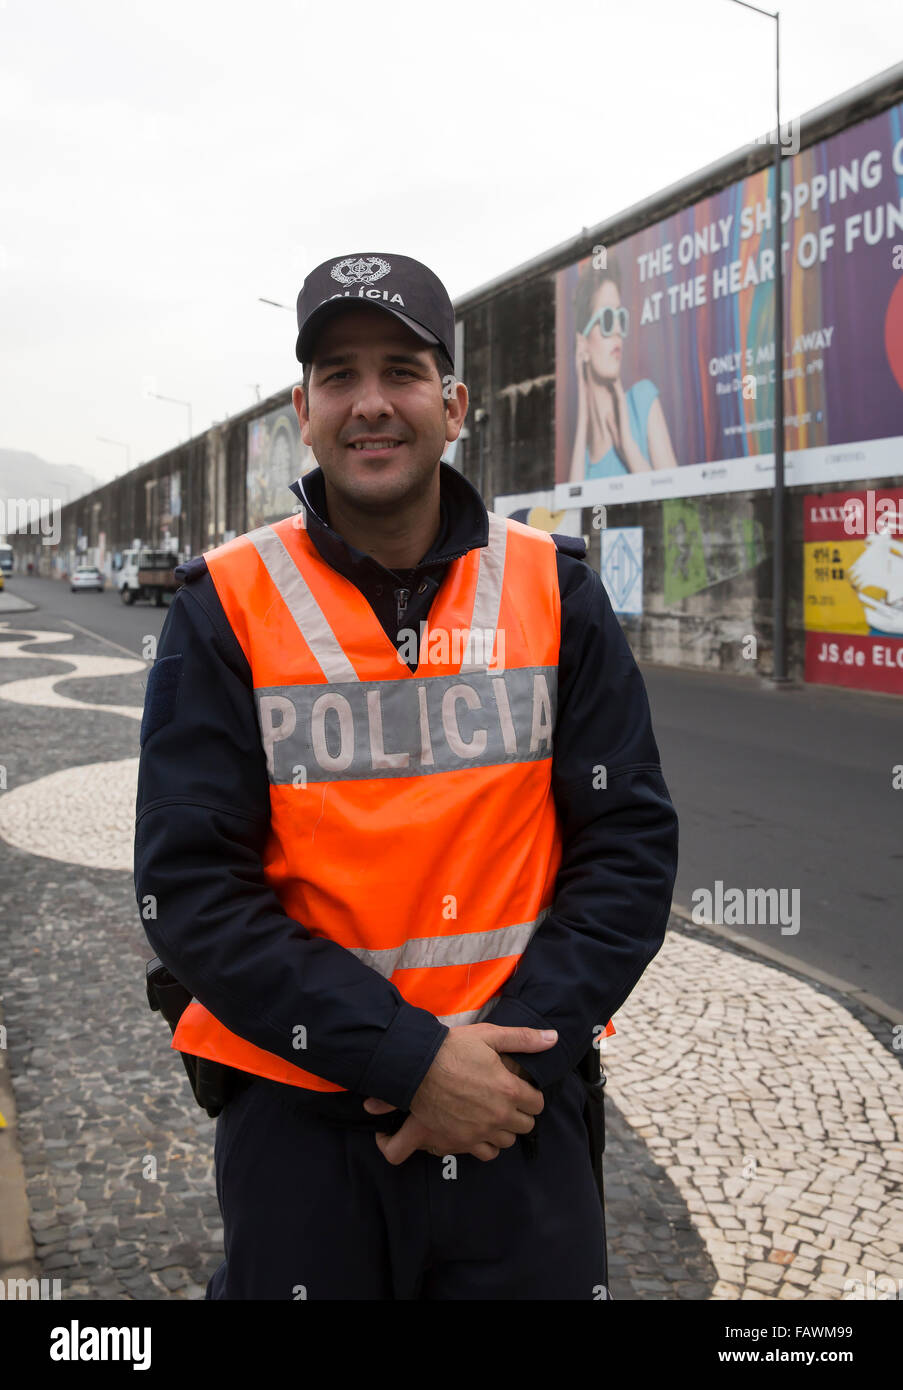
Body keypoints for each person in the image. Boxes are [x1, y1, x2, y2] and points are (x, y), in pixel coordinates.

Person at [134, 251, 679, 1300]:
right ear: (305, 409)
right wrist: (411, 1060)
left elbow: (628, 851)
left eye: (401, 370)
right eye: (339, 375)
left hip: (517, 1116)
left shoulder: (558, 594)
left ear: (455, 402)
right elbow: (191, 890)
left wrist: (503, 1068)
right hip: (304, 1126)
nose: (370, 402)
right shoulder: (226, 604)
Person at [568, 258, 679, 481]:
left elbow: (677, 504)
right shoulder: (583, 458)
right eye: (608, 319)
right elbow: (572, 509)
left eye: (621, 317)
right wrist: (582, 405)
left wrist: (628, 447)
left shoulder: (642, 400)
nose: (618, 330)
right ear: (583, 344)